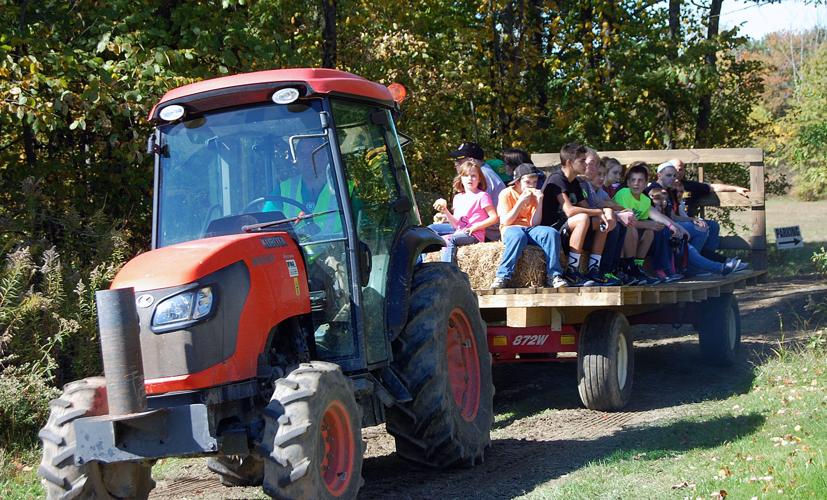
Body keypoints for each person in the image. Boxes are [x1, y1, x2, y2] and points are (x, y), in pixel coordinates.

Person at [541, 143, 614, 286]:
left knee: (601, 221)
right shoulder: (557, 179)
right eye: (581, 161)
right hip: (553, 230)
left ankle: (594, 268)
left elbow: (586, 206)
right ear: (569, 162)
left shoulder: (574, 181)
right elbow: (569, 210)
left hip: (570, 227)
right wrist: (598, 211)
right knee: (582, 217)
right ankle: (572, 271)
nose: (585, 164)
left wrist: (604, 214)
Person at [491, 163, 567, 289]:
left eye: (535, 182)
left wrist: (540, 201)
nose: (532, 185)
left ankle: (554, 275)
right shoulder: (506, 193)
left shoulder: (535, 196)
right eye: (527, 182)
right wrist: (520, 202)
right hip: (511, 228)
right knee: (518, 236)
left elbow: (534, 223)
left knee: (551, 232)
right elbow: (506, 221)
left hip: (530, 229)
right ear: (517, 182)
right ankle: (502, 276)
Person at [613, 162, 689, 284]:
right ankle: (628, 266)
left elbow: (656, 215)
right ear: (628, 183)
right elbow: (626, 221)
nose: (636, 183)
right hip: (618, 232)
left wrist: (672, 226)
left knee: (650, 231)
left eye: (640, 180)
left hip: (631, 232)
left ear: (645, 183)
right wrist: (648, 224)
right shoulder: (624, 194)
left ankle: (637, 265)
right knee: (633, 228)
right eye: (633, 180)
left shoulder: (645, 200)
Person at [649, 186, 746, 278]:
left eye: (666, 200)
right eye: (660, 200)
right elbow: (660, 220)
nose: (664, 202)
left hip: (670, 235)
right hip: (662, 238)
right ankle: (720, 267)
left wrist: (680, 226)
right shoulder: (651, 207)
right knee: (689, 247)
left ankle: (717, 266)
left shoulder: (665, 207)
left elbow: (670, 218)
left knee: (695, 240)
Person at [581, 155, 637, 284]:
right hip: (586, 230)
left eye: (604, 174)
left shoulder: (600, 191)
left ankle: (614, 269)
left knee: (621, 224)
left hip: (595, 228)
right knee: (614, 224)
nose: (601, 178)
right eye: (598, 174)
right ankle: (603, 270)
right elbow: (596, 205)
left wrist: (624, 211)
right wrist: (616, 213)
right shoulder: (585, 187)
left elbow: (611, 203)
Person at [430, 160, 499, 262]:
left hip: (474, 234)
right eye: (466, 175)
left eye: (473, 175)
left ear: (479, 179)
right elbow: (456, 224)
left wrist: (476, 227)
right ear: (461, 179)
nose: (470, 178)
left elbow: (494, 218)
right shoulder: (458, 198)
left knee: (448, 239)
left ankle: (448, 269)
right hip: (460, 232)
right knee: (428, 235)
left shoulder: (482, 196)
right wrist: (445, 211)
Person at [448, 142, 505, 241]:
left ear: (471, 160)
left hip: (487, 231)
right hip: (474, 226)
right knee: (432, 231)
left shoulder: (482, 176)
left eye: (459, 160)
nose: (456, 163)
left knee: (434, 233)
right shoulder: (484, 171)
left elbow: (482, 214)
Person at [664, 158, 749, 217]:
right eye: (674, 169)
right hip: (670, 221)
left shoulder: (692, 186)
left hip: (688, 219)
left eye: (680, 169)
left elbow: (714, 187)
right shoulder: (661, 186)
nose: (677, 172)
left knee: (713, 226)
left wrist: (736, 188)